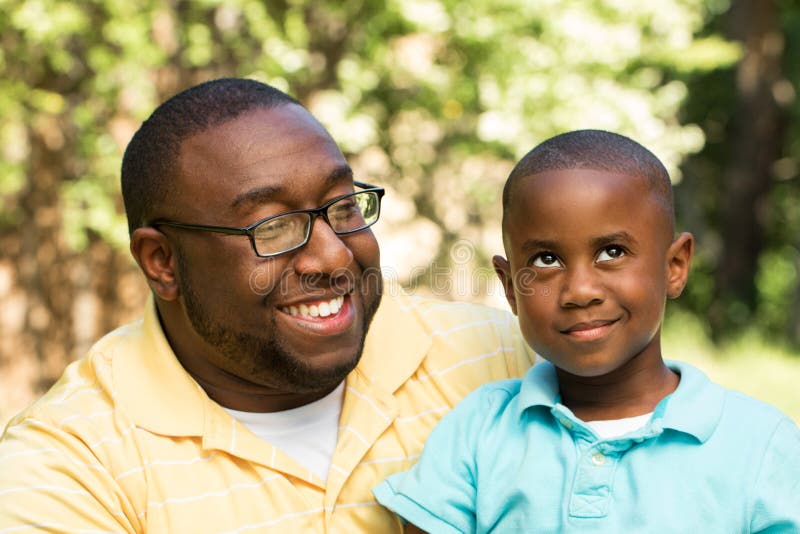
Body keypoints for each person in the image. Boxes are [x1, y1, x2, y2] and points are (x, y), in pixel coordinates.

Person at [0, 78, 535, 532]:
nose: (332, 254)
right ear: (161, 261)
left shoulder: (502, 361)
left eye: (343, 206)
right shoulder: (67, 468)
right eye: (272, 227)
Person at [373, 130, 800, 533]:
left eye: (612, 252)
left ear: (675, 267)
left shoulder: (761, 445)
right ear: (510, 287)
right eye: (545, 260)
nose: (579, 290)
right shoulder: (478, 432)